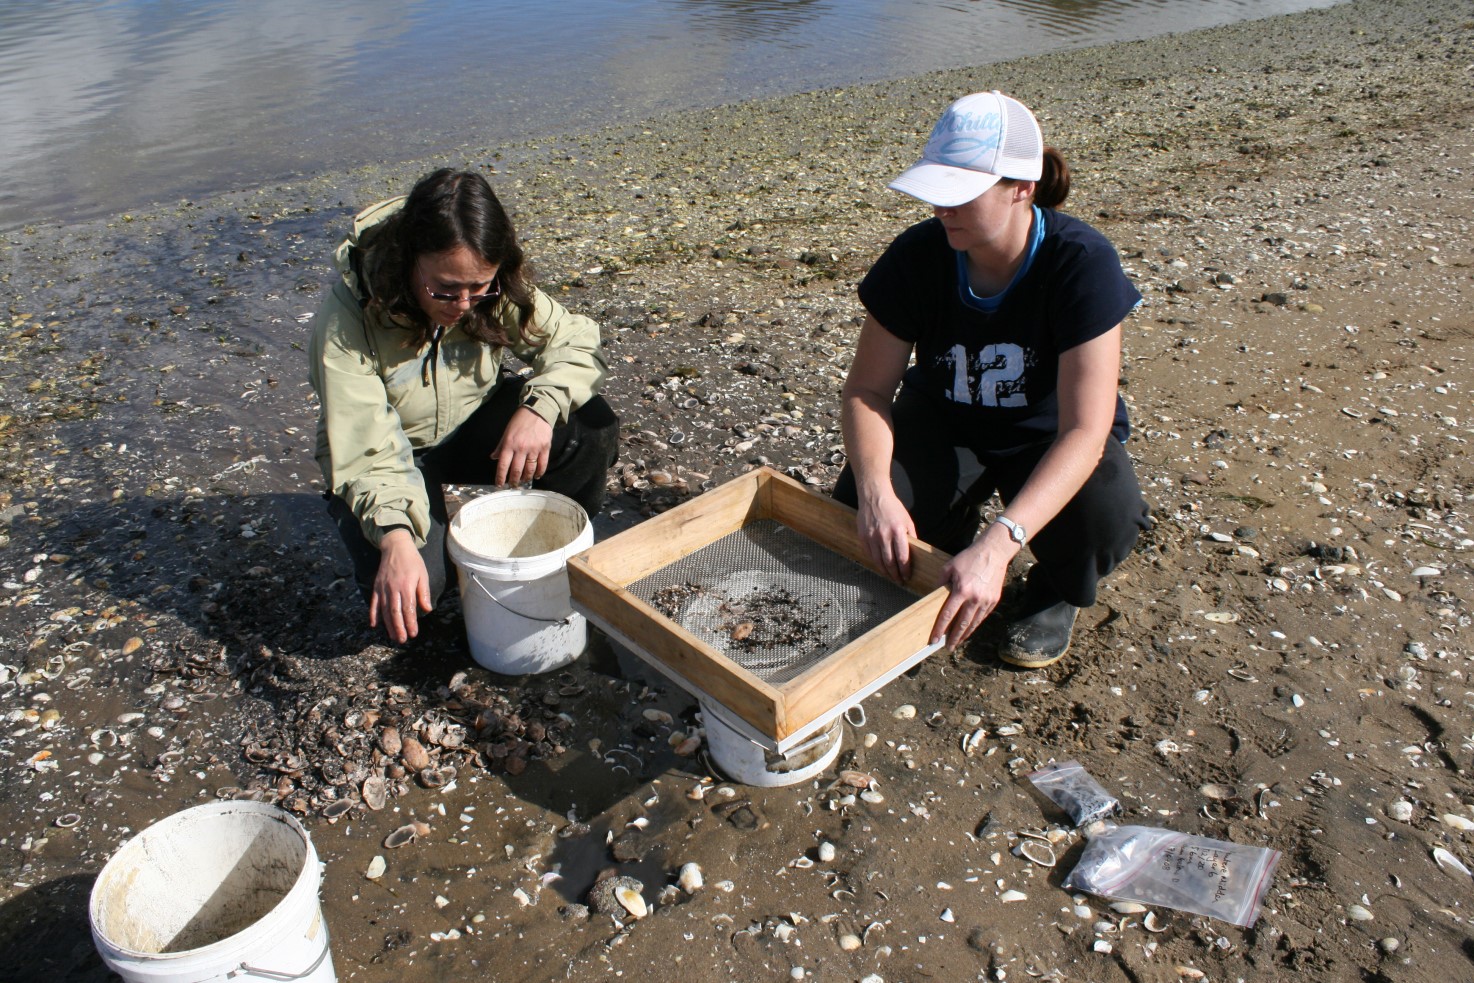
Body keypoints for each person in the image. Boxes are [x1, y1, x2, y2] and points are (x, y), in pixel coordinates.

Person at [835, 91, 1149, 667]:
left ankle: (1056, 588)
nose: (941, 210)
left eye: (960, 195)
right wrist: (878, 492)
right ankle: (950, 524)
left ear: (1021, 188)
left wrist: (1000, 545)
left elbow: (1086, 428)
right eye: (936, 193)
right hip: (944, 420)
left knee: (1106, 518)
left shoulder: (1080, 263)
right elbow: (867, 390)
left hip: (1047, 435)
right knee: (855, 502)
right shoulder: (916, 257)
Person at [309, 168, 618, 644]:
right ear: (407, 262)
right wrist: (394, 537)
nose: (463, 305)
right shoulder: (347, 319)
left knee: (589, 425)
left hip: (470, 421)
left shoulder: (487, 289)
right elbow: (363, 446)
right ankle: (394, 534)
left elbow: (574, 340)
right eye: (445, 291)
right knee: (420, 596)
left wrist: (540, 408)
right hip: (390, 452)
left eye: (479, 288)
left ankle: (555, 550)